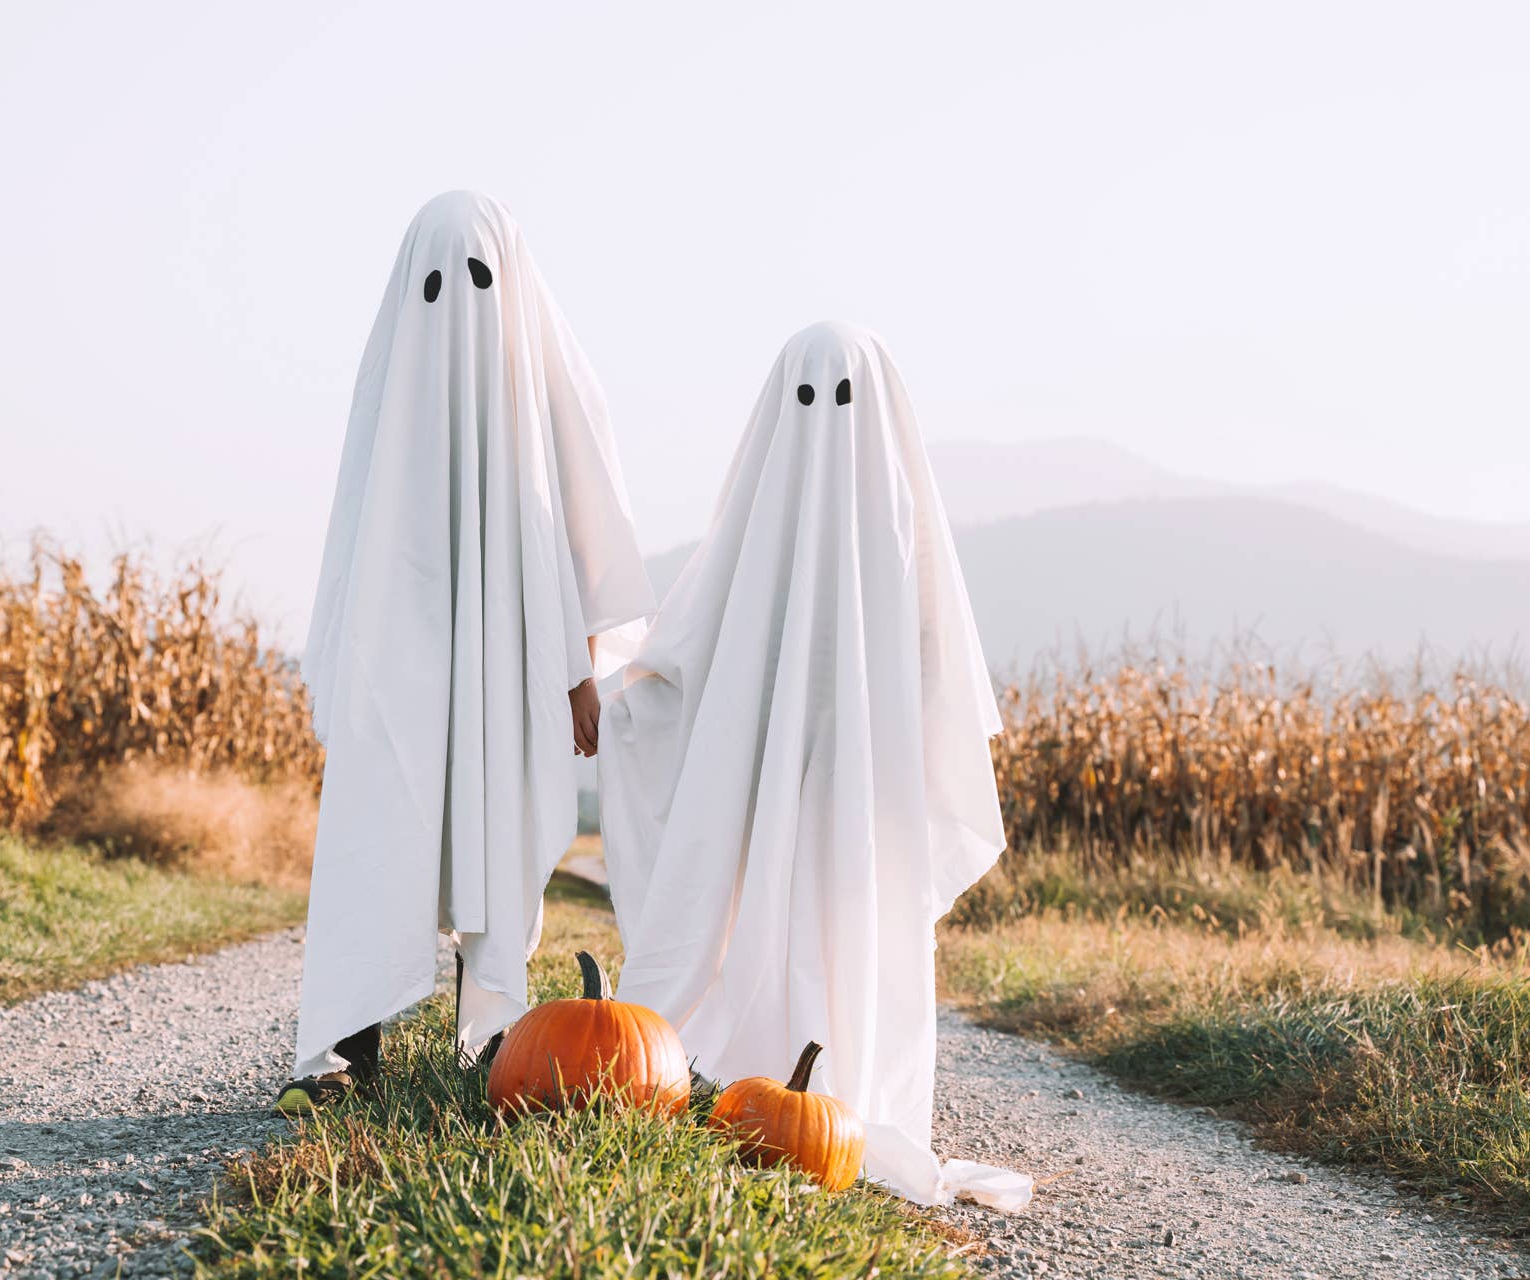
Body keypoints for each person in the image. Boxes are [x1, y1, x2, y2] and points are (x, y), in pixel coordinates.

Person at [598, 321, 1030, 1209]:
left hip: (863, 789)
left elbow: (939, 668)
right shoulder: (761, 531)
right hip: (766, 778)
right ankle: (774, 1069)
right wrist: (629, 687)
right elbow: (693, 643)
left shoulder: (900, 535)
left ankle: (820, 1074)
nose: (825, 425)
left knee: (846, 905)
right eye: (808, 400)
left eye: (843, 403)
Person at [278, 191, 654, 1111]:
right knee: (378, 831)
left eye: (478, 280)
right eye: (437, 284)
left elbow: (582, 529)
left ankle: (490, 1034)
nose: (457, 305)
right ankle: (343, 1045)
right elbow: (352, 558)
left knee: (500, 822)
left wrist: (578, 671)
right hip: (394, 666)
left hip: (516, 662)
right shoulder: (388, 408)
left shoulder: (544, 395)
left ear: (512, 287)